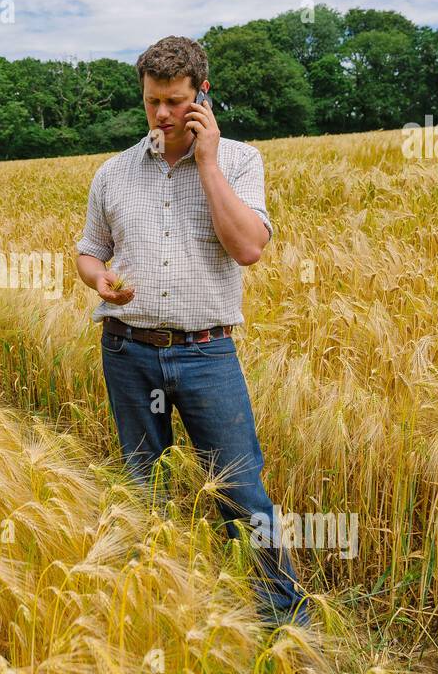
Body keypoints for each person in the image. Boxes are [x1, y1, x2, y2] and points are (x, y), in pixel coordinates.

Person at [74, 35, 310, 627]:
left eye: (175, 101)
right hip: (127, 349)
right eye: (153, 101)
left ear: (202, 95)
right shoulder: (114, 172)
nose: (161, 115)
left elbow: (249, 248)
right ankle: (153, 606)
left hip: (208, 353)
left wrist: (206, 162)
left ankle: (284, 620)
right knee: (141, 484)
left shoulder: (240, 163)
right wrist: (98, 280)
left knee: (241, 489)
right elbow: (89, 252)